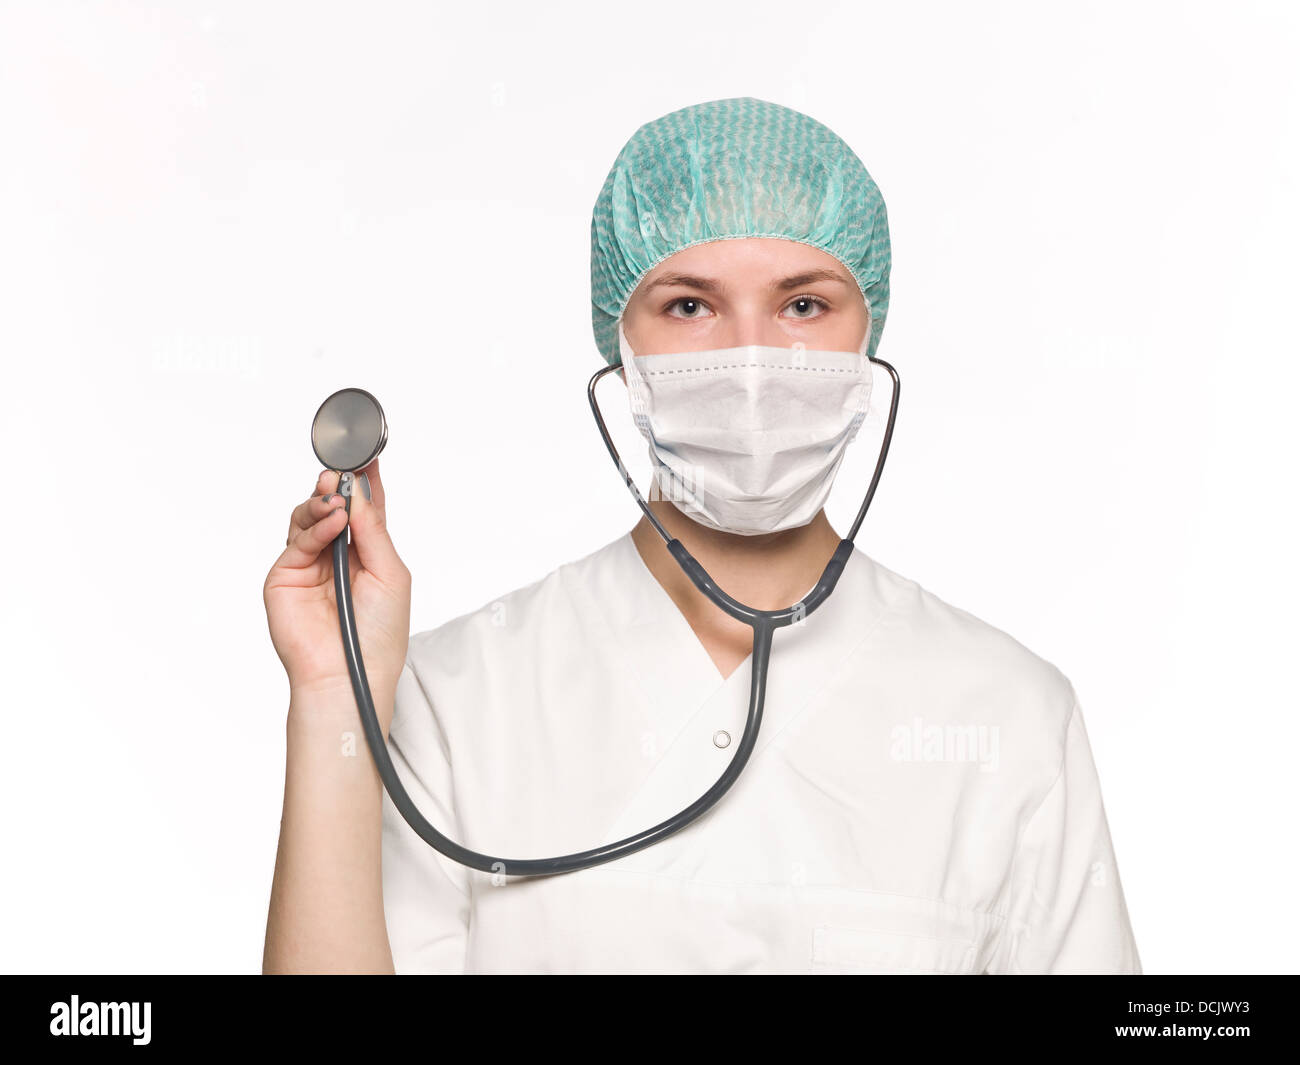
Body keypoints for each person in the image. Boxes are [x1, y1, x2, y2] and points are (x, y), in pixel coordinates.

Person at [261, 97, 1141, 974]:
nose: (752, 360)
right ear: (621, 342)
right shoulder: (457, 697)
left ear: (869, 331)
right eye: (689, 307)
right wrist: (336, 697)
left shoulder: (1008, 713)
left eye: (803, 304)